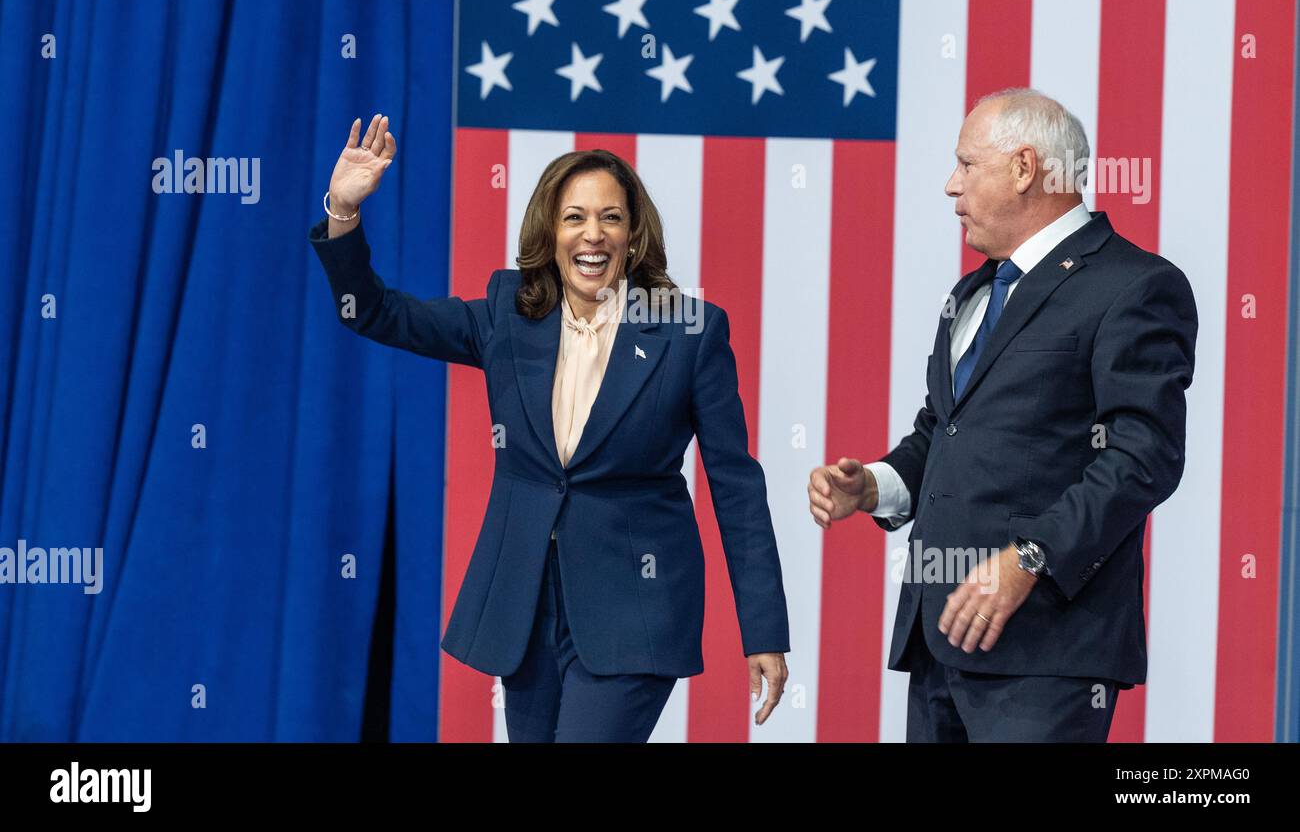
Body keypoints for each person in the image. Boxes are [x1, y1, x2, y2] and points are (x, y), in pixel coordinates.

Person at [310, 114, 790, 742]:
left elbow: (736, 484)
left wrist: (763, 630)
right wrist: (343, 211)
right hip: (526, 605)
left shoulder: (687, 332)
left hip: (634, 607)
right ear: (550, 230)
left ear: (634, 233)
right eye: (574, 218)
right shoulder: (510, 317)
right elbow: (371, 312)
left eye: (611, 218)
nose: (593, 235)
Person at [807, 88, 1197, 742]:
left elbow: (1142, 457)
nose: (949, 186)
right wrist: (875, 484)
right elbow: (944, 431)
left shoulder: (1135, 286)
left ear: (1023, 169)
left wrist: (1029, 558)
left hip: (1047, 649)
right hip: (940, 640)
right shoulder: (973, 292)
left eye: (966, 165)